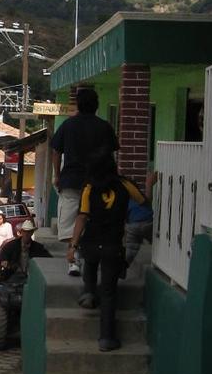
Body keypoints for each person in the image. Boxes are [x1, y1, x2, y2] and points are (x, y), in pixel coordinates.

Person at [68, 151, 146, 352]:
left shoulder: (89, 188)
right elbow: (144, 202)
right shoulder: (125, 184)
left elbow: (82, 217)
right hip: (113, 245)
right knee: (110, 293)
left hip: (91, 243)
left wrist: (73, 245)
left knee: (90, 264)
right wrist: (150, 185)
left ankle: (89, 291)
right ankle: (106, 339)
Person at [51, 86, 118, 277]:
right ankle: (86, 257)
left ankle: (75, 258)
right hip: (98, 183)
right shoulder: (104, 126)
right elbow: (111, 154)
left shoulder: (68, 125)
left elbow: (56, 151)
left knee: (69, 225)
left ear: (78, 105)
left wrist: (57, 175)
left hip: (71, 181)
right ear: (96, 106)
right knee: (92, 221)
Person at [123, 171, 157, 275]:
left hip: (133, 226)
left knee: (131, 248)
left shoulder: (124, 201)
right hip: (148, 223)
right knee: (156, 241)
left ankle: (123, 266)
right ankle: (162, 257)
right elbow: (148, 202)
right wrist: (150, 184)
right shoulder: (140, 198)